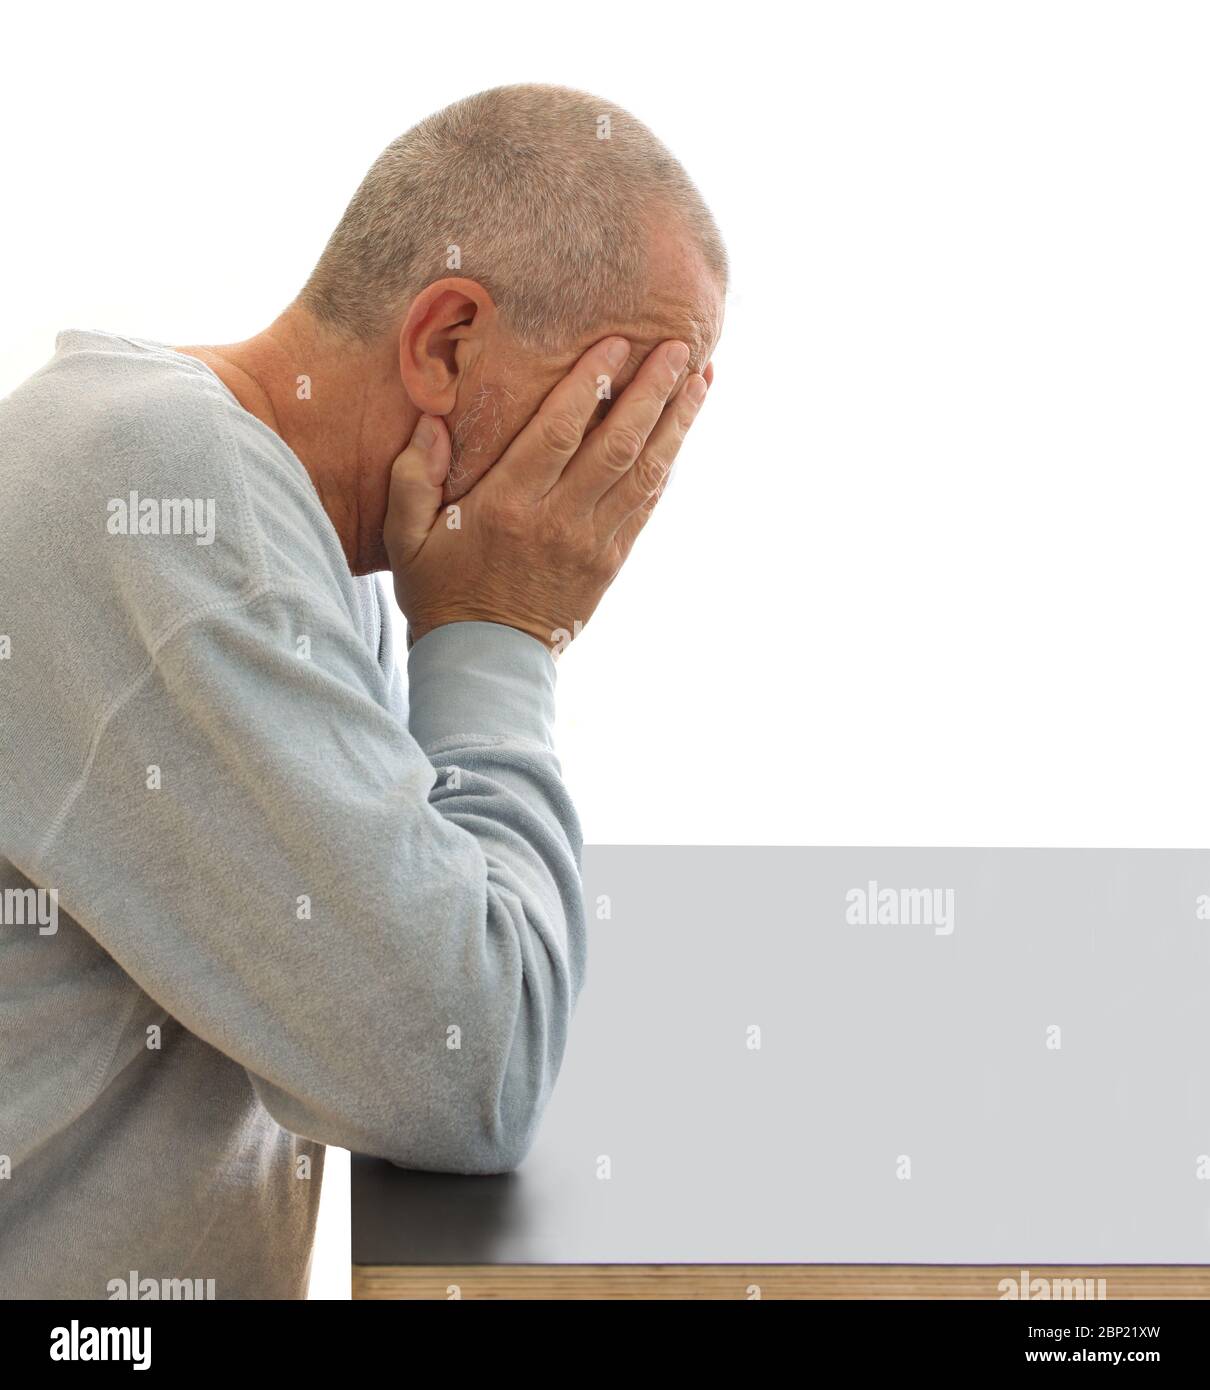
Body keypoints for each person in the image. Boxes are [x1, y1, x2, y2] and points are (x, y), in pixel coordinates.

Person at [0, 83, 725, 1298]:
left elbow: (440, 961)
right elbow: (468, 1068)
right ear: (446, 340)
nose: (632, 481)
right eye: (624, 406)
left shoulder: (279, 525)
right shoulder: (174, 500)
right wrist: (500, 631)